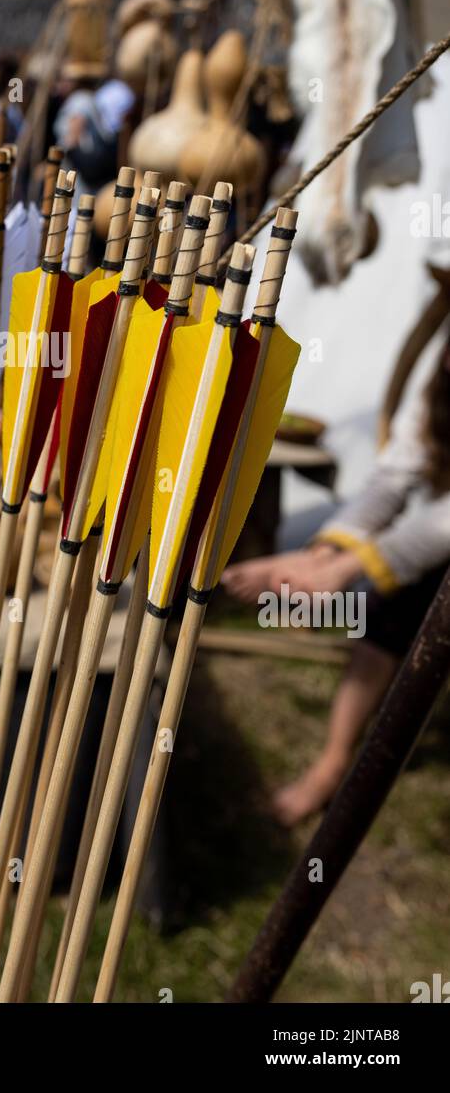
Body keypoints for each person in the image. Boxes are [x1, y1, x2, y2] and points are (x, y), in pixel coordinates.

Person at [222, 337, 450, 826]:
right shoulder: (438, 386)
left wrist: (343, 570)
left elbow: (444, 524)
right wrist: (326, 553)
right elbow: (392, 480)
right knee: (383, 623)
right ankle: (333, 763)